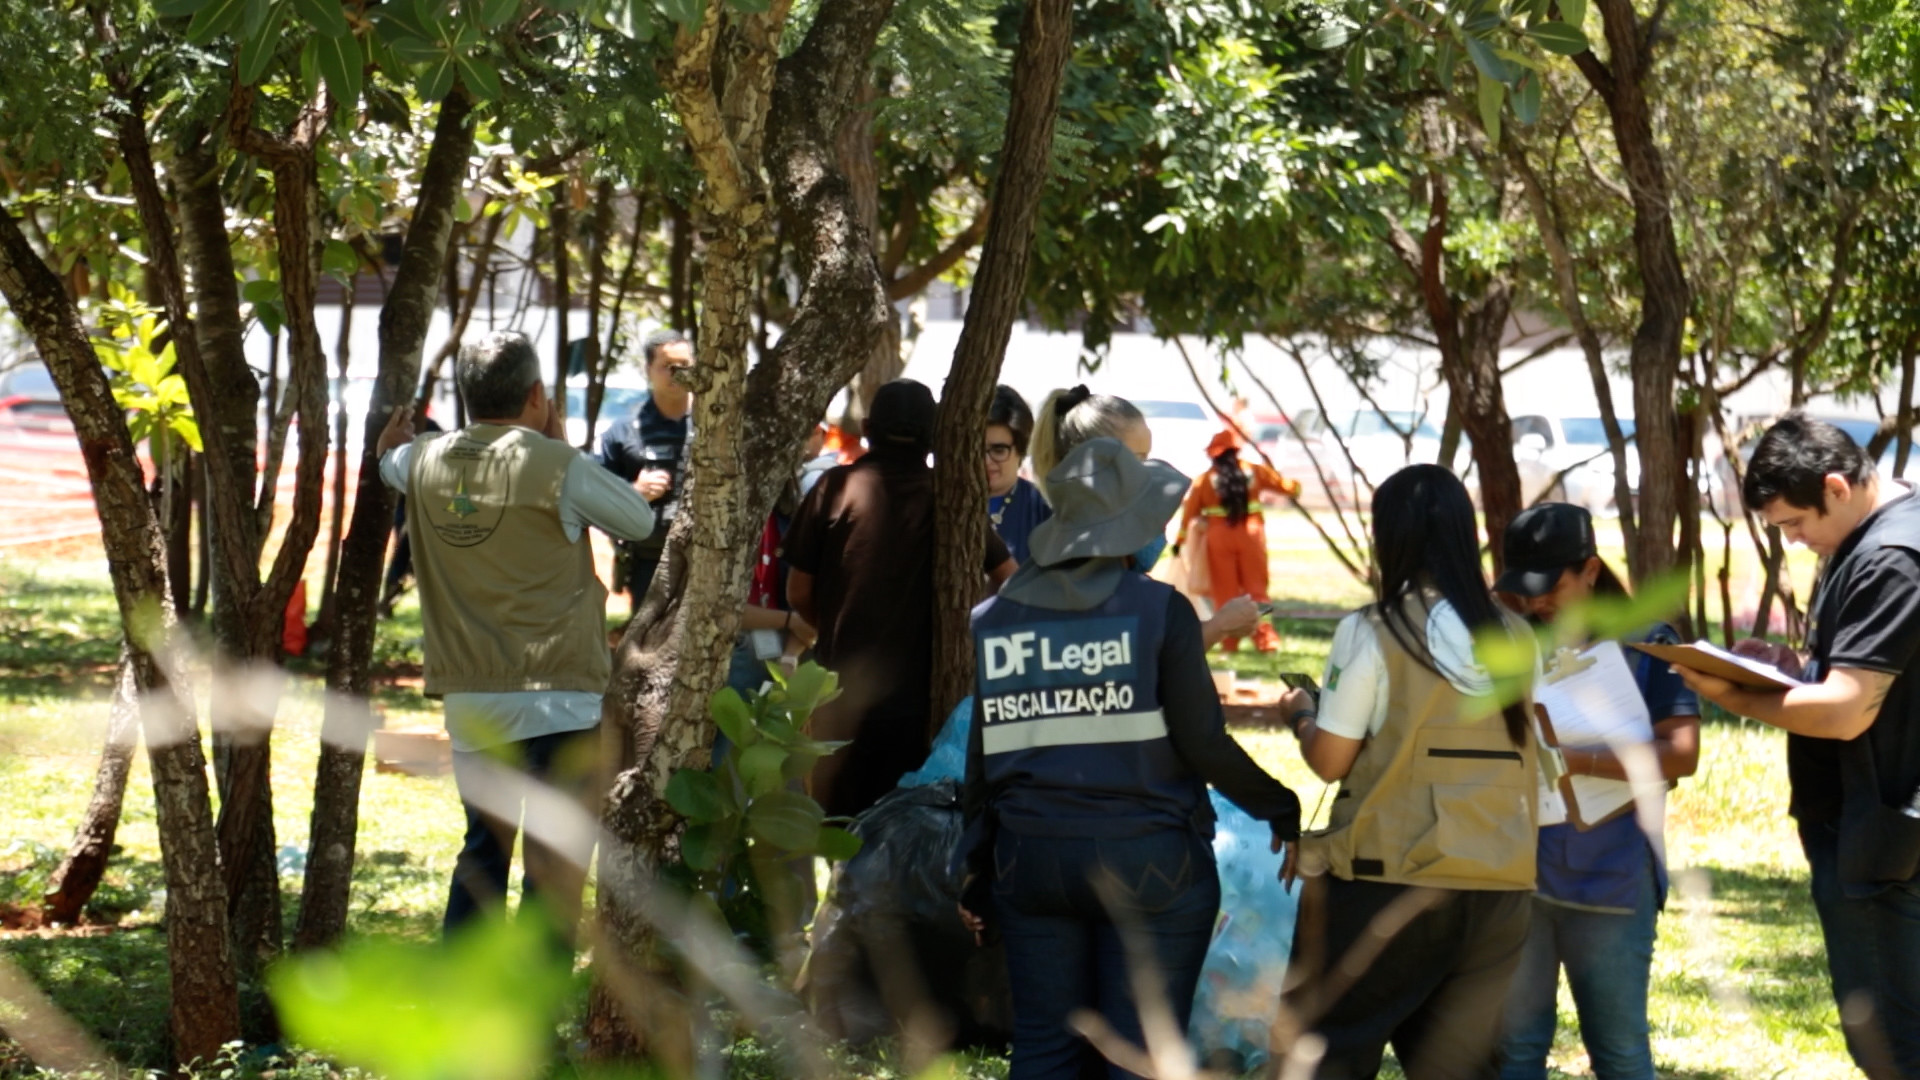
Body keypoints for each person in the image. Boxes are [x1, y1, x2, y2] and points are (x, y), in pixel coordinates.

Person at [956, 437, 1303, 1080]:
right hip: (1151, 868)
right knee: (1139, 1056)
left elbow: (983, 760)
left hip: (1029, 863)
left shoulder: (994, 619)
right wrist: (1282, 808)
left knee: (1044, 1048)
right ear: (1127, 530)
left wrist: (974, 868)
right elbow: (1203, 744)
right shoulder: (1159, 611)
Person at [373, 330, 655, 940]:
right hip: (564, 695)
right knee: (554, 867)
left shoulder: (422, 461)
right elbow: (639, 519)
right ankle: (534, 1016)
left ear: (468, 396)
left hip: (474, 698)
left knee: (481, 855)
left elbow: (392, 463)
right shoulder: (558, 465)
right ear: (536, 394)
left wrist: (388, 447)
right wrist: (558, 444)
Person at [1671, 413, 1920, 1076]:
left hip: (1885, 842)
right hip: (1877, 831)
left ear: (1837, 486)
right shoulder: (1879, 534)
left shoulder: (1891, 557)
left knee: (1895, 1043)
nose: (1798, 542)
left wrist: (1732, 696)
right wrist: (1787, 667)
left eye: (1794, 525)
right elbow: (1870, 678)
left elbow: (1844, 711)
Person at [1280, 463, 1540, 1080]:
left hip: (1388, 881)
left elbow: (1331, 761)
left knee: (1327, 1052)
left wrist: (1301, 715)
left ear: (1388, 537)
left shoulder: (1373, 629)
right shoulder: (1518, 634)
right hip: (1500, 883)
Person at [1491, 503, 1700, 1080]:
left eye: (1549, 585)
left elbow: (1681, 753)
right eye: (1522, 589)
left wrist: (1574, 760)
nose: (1536, 602)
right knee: (1516, 1050)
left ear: (1589, 570)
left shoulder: (1649, 644)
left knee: (1619, 1053)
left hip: (1613, 879)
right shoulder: (1513, 641)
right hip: (1521, 874)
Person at [786, 379, 1018, 818]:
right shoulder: (950, 498)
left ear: (868, 428)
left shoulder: (834, 488)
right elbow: (1011, 580)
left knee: (842, 836)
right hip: (924, 701)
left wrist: (835, 627)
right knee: (907, 833)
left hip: (842, 696)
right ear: (935, 435)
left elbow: (797, 591)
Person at [1032, 386, 1260, 650]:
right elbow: (1149, 658)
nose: (1146, 477)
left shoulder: (1039, 574)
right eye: (1136, 462)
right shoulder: (1122, 594)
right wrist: (1217, 627)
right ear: (1092, 467)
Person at [1175, 430, 1301, 654]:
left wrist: (1180, 540)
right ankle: (1266, 641)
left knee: (1225, 592)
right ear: (1236, 451)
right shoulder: (1253, 470)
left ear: (1214, 454)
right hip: (1251, 535)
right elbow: (1287, 487)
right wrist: (1295, 485)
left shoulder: (1204, 480)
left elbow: (1189, 514)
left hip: (1218, 539)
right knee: (1257, 590)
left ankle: (1229, 644)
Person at [597, 328, 693, 607]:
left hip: (707, 561)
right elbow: (595, 497)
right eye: (667, 366)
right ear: (648, 369)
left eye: (684, 366)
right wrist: (634, 492)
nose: (676, 373)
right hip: (649, 563)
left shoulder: (715, 426)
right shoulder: (625, 431)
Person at [986, 385, 1052, 565]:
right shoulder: (942, 502)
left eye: (998, 450)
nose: (985, 461)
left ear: (1020, 451)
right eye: (975, 449)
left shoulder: (1042, 509)